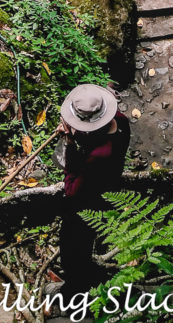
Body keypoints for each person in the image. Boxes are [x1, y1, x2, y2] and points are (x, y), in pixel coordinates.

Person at [57, 84, 130, 297]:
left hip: (88, 200)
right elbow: (97, 138)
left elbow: (72, 190)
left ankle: (73, 291)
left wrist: (70, 143)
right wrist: (77, 133)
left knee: (73, 248)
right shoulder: (120, 121)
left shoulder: (100, 155)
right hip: (109, 182)